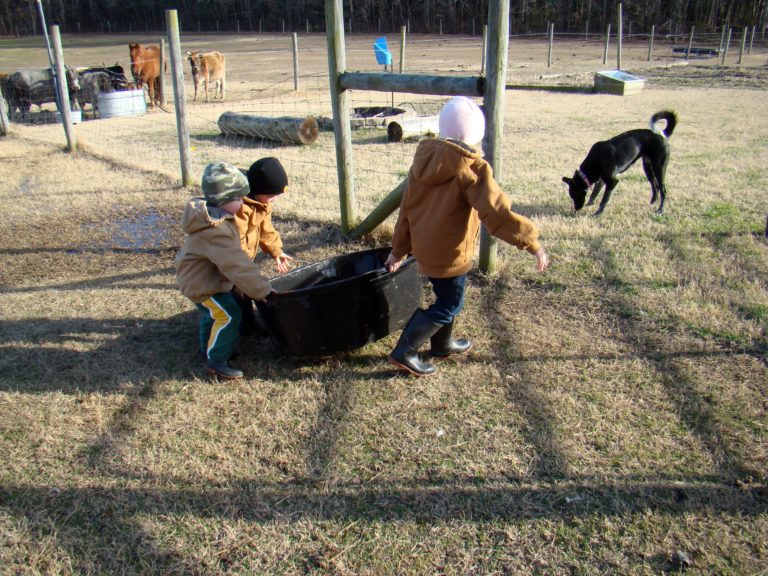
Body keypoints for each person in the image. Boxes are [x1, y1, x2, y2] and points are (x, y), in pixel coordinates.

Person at [384, 96, 550, 377]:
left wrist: (398, 250)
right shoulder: (472, 169)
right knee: (450, 303)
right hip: (451, 254)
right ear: (471, 137)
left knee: (446, 298)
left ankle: (442, 344)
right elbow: (497, 212)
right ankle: (405, 351)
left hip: (425, 250)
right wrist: (531, 242)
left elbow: (406, 211)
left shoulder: (423, 161)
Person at [175, 161, 273, 380]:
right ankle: (217, 361)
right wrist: (262, 290)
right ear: (223, 200)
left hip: (201, 280)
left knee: (211, 316)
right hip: (203, 285)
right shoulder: (215, 229)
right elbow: (237, 264)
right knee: (229, 315)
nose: (242, 203)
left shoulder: (216, 218)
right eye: (237, 199)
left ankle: (209, 350)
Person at [232, 157, 293, 333]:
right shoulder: (239, 208)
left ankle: (248, 324)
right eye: (271, 196)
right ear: (256, 190)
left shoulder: (262, 203)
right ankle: (241, 326)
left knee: (245, 291)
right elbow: (236, 244)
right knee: (236, 295)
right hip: (231, 261)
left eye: (277, 196)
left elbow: (266, 228)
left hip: (242, 259)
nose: (274, 200)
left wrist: (276, 250)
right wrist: (242, 274)